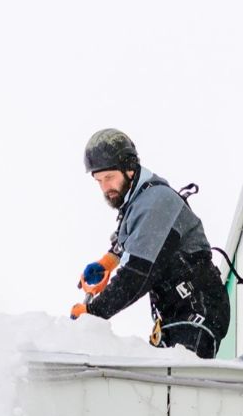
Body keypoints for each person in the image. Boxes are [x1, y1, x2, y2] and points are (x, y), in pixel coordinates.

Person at [72, 128, 231, 358]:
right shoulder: (138, 202)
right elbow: (130, 239)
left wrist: (93, 312)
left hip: (198, 309)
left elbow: (137, 275)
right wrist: (107, 262)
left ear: (129, 168)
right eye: (99, 181)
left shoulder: (156, 201)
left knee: (179, 384)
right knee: (159, 384)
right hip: (174, 316)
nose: (105, 188)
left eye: (109, 178)